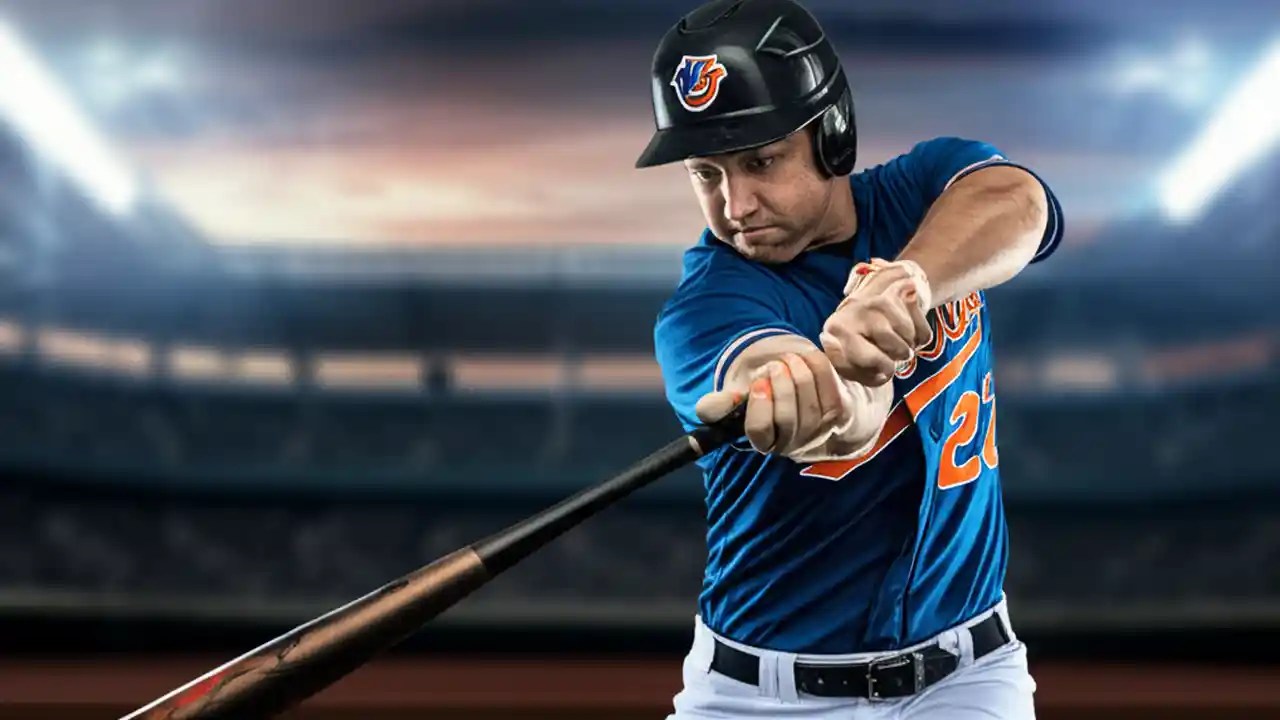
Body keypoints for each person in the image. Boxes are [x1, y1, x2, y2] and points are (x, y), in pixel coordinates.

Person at [638, 1, 1064, 718]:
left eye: (760, 161)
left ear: (832, 135)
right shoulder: (705, 304)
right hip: (762, 697)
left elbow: (1019, 202)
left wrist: (911, 279)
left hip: (969, 677)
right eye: (706, 174)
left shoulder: (922, 190)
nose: (736, 203)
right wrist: (831, 390)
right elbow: (839, 421)